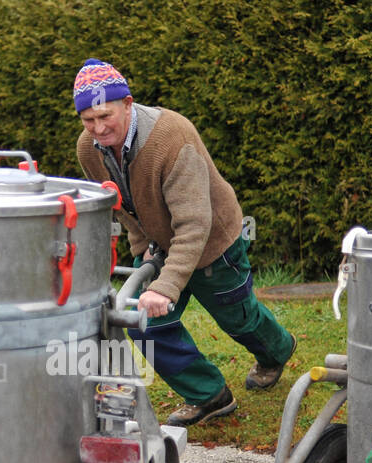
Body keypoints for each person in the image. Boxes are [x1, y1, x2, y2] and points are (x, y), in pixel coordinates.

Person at [72, 58, 297, 427]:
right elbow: (123, 203)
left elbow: (195, 223)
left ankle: (277, 350)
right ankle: (209, 395)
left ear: (127, 103)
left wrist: (167, 285)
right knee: (144, 323)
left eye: (104, 116)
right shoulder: (89, 149)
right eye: (88, 120)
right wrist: (142, 248)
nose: (97, 128)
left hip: (213, 242)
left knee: (238, 319)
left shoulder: (172, 138)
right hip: (162, 243)